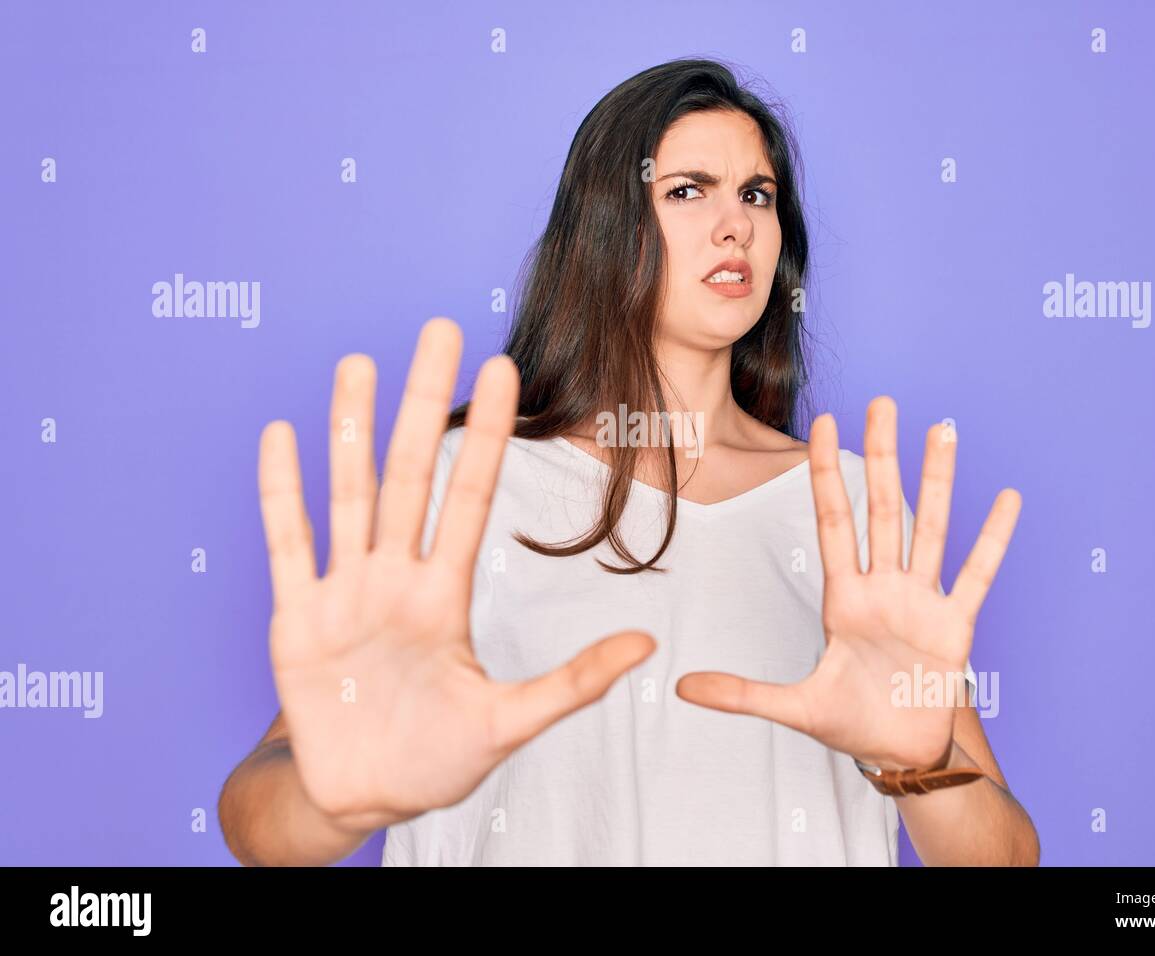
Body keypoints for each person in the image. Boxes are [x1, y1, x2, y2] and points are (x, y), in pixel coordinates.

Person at [217, 58, 1038, 866]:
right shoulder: (469, 484)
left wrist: (916, 767)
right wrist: (340, 797)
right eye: (687, 190)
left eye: (757, 194)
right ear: (606, 229)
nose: (736, 225)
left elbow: (1003, 856)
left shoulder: (851, 507)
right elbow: (261, 817)